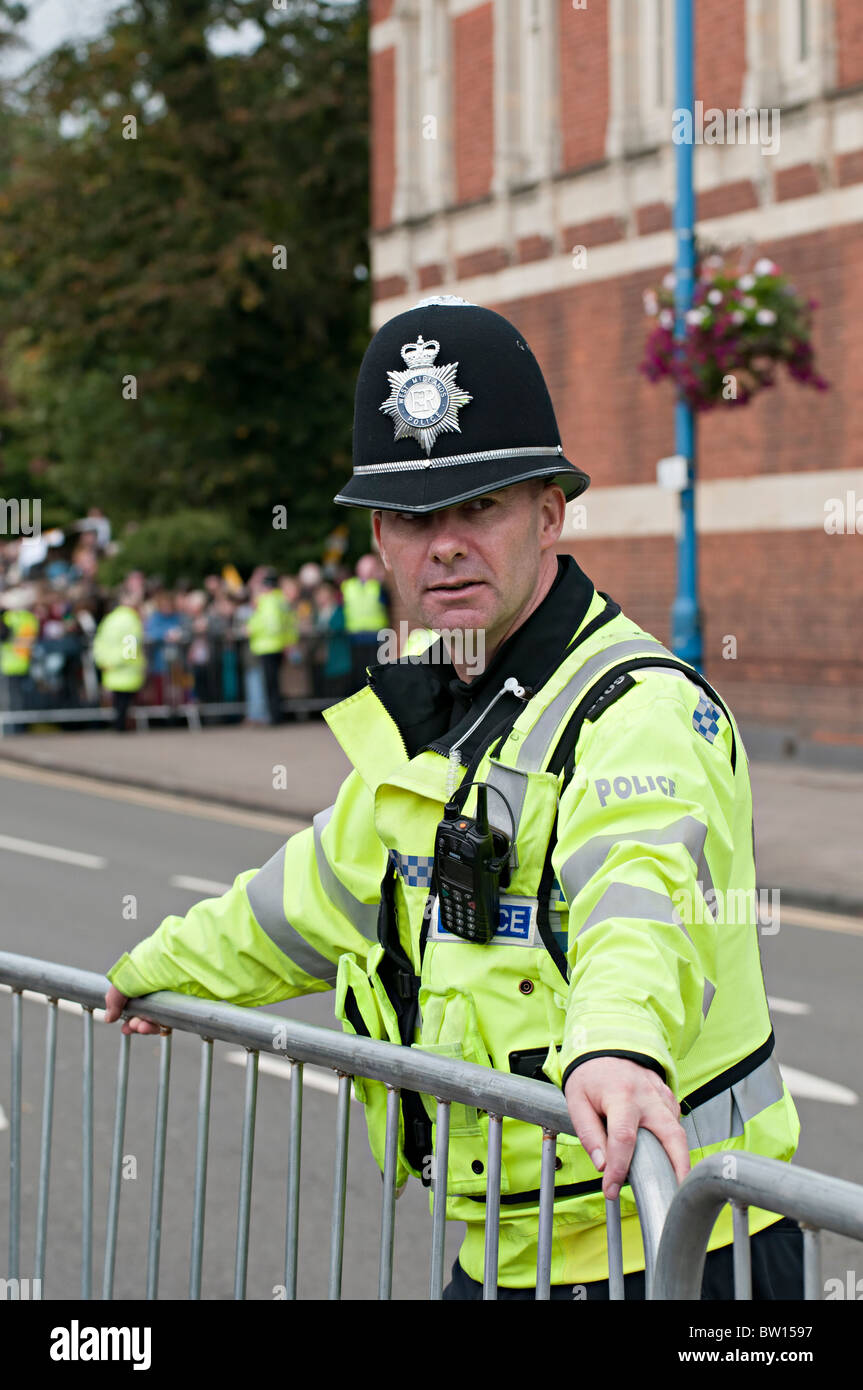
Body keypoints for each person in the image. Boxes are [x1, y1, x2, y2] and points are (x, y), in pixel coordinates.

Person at [104, 298, 802, 1298]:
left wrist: (613, 1043)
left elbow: (639, 892)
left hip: (680, 1245)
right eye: (412, 517)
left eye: (478, 507)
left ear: (548, 513)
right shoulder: (436, 717)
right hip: (508, 1256)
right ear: (379, 541)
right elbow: (305, 901)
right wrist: (149, 967)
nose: (443, 546)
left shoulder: (631, 704)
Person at [92, 591, 146, 731]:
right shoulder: (131, 619)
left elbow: (99, 642)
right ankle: (122, 726)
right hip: (126, 668)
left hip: (110, 666)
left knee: (117, 700)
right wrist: (123, 661)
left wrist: (104, 661)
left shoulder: (109, 619)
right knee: (125, 701)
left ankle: (119, 725)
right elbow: (132, 644)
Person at [246, 567, 292, 725]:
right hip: (278, 644)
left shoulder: (268, 600)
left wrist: (251, 629)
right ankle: (276, 715)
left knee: (270, 684)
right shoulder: (281, 600)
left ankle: (274, 717)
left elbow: (270, 623)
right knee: (275, 684)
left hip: (267, 645)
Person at [341, 552, 389, 693]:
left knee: (374, 673)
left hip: (376, 637)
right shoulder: (348, 586)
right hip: (355, 637)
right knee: (358, 674)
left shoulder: (377, 586)